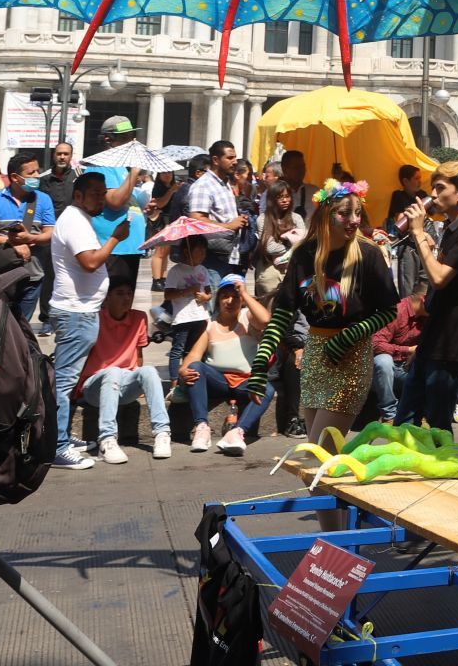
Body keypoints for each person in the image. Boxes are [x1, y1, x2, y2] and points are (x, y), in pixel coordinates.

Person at [249, 180, 397, 516]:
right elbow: (282, 313)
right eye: (345, 213)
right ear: (326, 215)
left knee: (314, 459)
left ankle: (335, 546)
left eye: (358, 213)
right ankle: (343, 532)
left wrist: (349, 336)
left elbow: (390, 309)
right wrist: (260, 364)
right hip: (315, 356)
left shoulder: (369, 254)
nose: (354, 220)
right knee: (325, 464)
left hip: (350, 359)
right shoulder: (304, 254)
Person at [393, 161, 458, 430]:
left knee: (437, 423)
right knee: (405, 419)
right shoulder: (452, 228)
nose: (433, 196)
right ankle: (406, 468)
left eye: (440, 188)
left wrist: (417, 232)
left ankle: (438, 468)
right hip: (435, 335)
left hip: (454, 340)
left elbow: (438, 277)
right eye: (432, 188)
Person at [47, 170, 118, 470]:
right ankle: (57, 447)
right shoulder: (75, 219)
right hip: (75, 313)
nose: (102, 197)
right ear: (78, 196)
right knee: (63, 382)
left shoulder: (80, 218)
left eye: (103, 192)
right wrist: (116, 238)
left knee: (68, 379)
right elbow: (89, 262)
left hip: (82, 311)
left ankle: (62, 436)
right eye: (95, 193)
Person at [77, 281, 171, 463]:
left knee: (149, 371)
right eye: (120, 293)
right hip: (94, 385)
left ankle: (162, 433)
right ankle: (107, 439)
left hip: (124, 384)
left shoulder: (139, 318)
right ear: (107, 297)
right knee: (112, 371)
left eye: (129, 293)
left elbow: (139, 355)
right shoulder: (94, 319)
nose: (126, 298)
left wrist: (142, 383)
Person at [179, 275, 272, 453]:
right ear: (218, 300)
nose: (230, 301)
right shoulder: (210, 325)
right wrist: (183, 370)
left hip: (246, 382)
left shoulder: (247, 318)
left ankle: (237, 432)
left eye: (235, 296)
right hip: (219, 381)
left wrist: (244, 293)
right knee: (195, 368)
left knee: (268, 388)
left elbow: (265, 320)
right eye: (225, 296)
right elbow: (194, 356)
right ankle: (202, 428)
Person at [0, 151, 56, 324]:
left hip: (32, 275)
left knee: (22, 327)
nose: (37, 176)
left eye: (37, 171)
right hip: (0, 275)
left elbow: (50, 235)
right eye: (31, 173)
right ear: (15, 177)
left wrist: (29, 238)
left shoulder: (44, 200)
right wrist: (10, 242)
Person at [86, 116, 152, 285]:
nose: (131, 142)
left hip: (130, 246)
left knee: (124, 303)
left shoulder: (122, 167)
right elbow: (115, 202)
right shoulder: (101, 165)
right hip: (114, 248)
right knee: (112, 304)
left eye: (132, 137)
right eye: (125, 138)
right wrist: (135, 171)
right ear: (109, 139)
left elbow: (128, 199)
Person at [368, 281, 428, 425]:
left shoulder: (427, 317)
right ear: (424, 299)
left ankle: (423, 413)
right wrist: (408, 350)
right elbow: (375, 344)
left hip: (406, 369)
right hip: (382, 372)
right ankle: (389, 415)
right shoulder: (396, 311)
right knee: (383, 361)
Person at [160, 232, 217, 380]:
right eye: (199, 251)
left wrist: (206, 297)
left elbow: (209, 292)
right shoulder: (176, 271)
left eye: (205, 251)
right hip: (183, 317)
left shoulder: (203, 270)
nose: (203, 254)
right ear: (187, 252)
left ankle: (195, 377)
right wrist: (187, 291)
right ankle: (174, 381)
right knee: (177, 349)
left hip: (201, 316)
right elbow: (168, 295)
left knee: (197, 349)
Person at [188, 140, 246, 274]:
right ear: (215, 160)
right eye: (230, 158)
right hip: (213, 258)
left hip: (231, 255)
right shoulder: (203, 185)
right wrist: (229, 226)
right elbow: (196, 219)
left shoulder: (224, 184)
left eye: (235, 157)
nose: (235, 161)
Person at [254, 180, 307, 304]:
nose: (285, 200)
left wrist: (289, 247)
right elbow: (269, 247)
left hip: (292, 271)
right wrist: (291, 246)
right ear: (272, 199)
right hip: (269, 271)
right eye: (280, 197)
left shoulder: (296, 218)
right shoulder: (263, 219)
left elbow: (303, 243)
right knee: (270, 310)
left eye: (287, 196)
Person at [384, 164, 425, 234]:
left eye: (420, 178)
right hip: (404, 235)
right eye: (416, 178)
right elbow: (400, 220)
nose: (420, 181)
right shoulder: (398, 195)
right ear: (405, 181)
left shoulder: (422, 194)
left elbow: (433, 211)